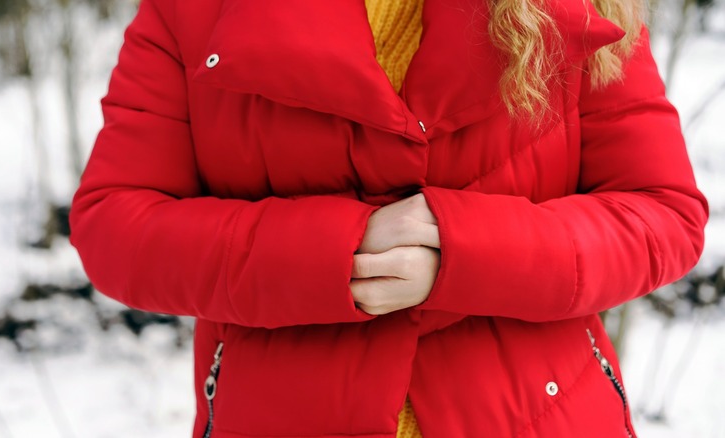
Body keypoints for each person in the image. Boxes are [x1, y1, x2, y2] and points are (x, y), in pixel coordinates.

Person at [68, 0, 709, 436]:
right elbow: (116, 224)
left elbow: (662, 210)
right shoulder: (189, 10)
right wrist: (336, 252)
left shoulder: (579, 3)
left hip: (541, 414)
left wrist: (466, 247)